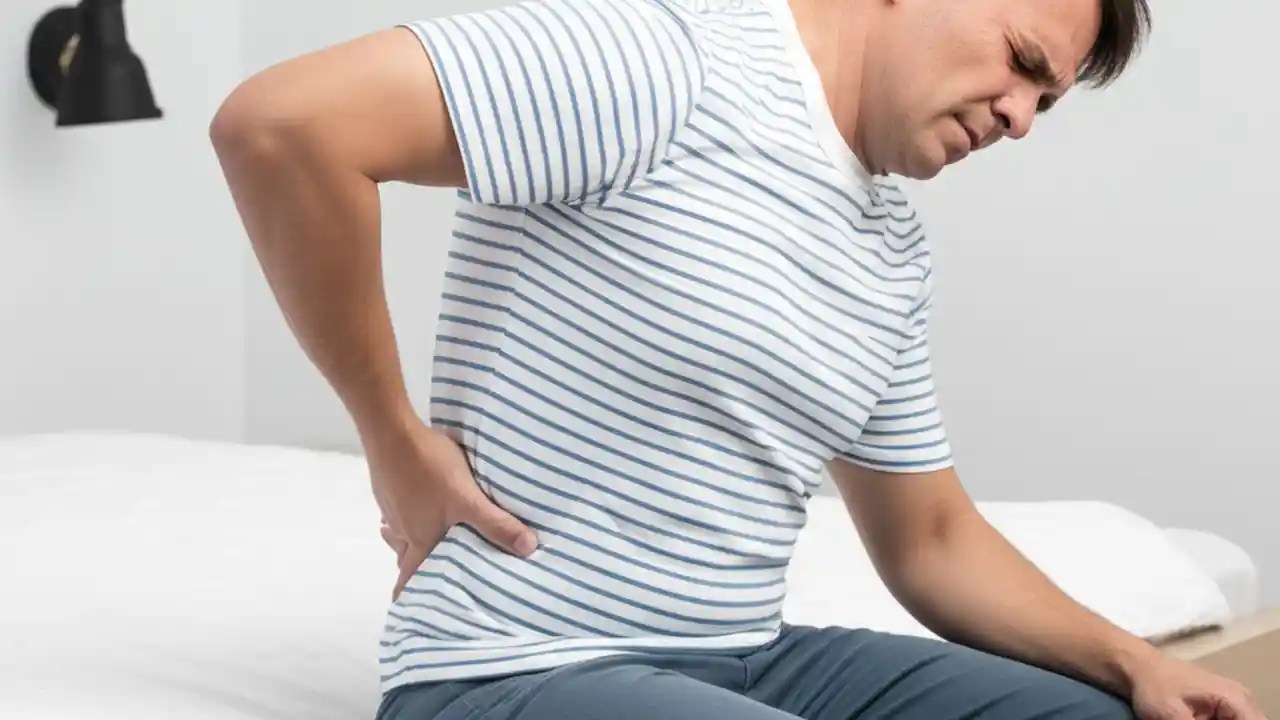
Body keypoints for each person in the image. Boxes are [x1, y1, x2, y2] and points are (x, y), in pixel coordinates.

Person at [209, 0, 1266, 717]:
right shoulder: (664, 59)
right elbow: (282, 126)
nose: (1021, 119)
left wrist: (1134, 662)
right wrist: (390, 433)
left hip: (744, 657)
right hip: (508, 667)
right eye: (1022, 64)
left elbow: (931, 539)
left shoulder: (887, 252)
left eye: (1047, 101)